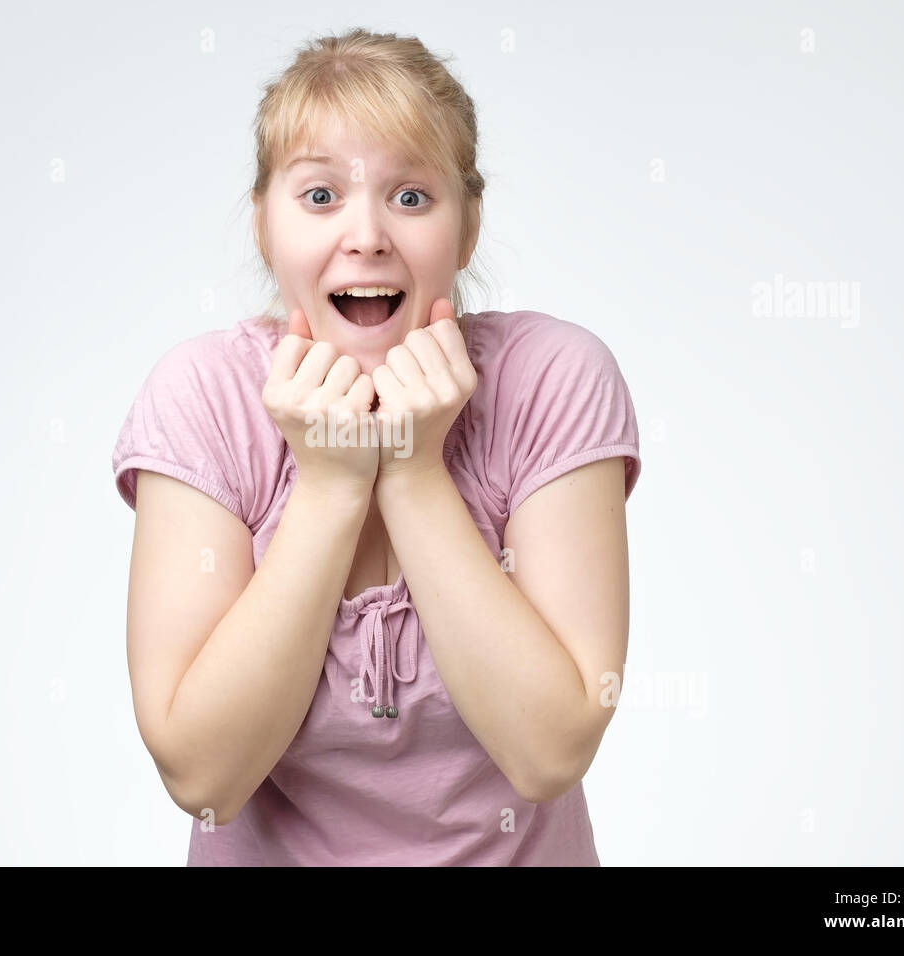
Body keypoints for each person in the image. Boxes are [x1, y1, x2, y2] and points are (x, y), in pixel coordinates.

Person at [111, 28, 643, 866]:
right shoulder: (201, 397)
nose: (366, 236)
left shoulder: (553, 379)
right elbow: (204, 777)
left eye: (411, 196)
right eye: (320, 196)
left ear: (468, 227)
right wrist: (328, 487)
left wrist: (414, 471)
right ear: (264, 226)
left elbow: (548, 753)